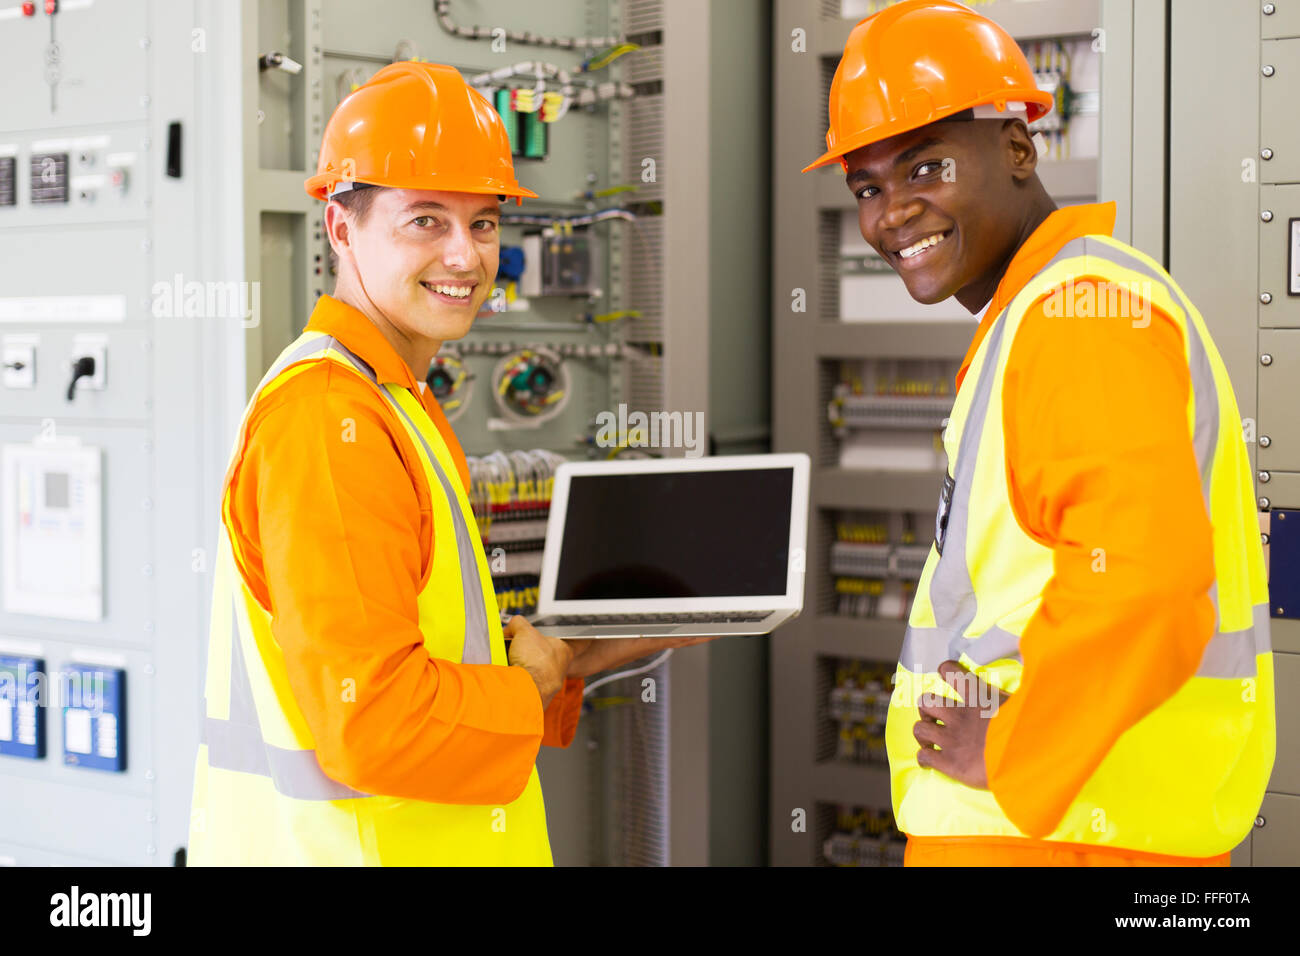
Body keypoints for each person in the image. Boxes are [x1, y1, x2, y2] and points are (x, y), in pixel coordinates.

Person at [188, 61, 706, 865]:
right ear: (339, 227)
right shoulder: (330, 418)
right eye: (425, 220)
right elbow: (374, 723)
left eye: (484, 223)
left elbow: (415, 653)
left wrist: (581, 656)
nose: (465, 256)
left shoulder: (392, 402)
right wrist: (527, 687)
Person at [804, 0, 1274, 866]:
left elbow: (1148, 576)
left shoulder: (1076, 315)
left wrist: (1022, 745)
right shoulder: (1047, 310)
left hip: (1055, 832)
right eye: (868, 188)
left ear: (1018, 149)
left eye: (926, 168)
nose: (892, 214)